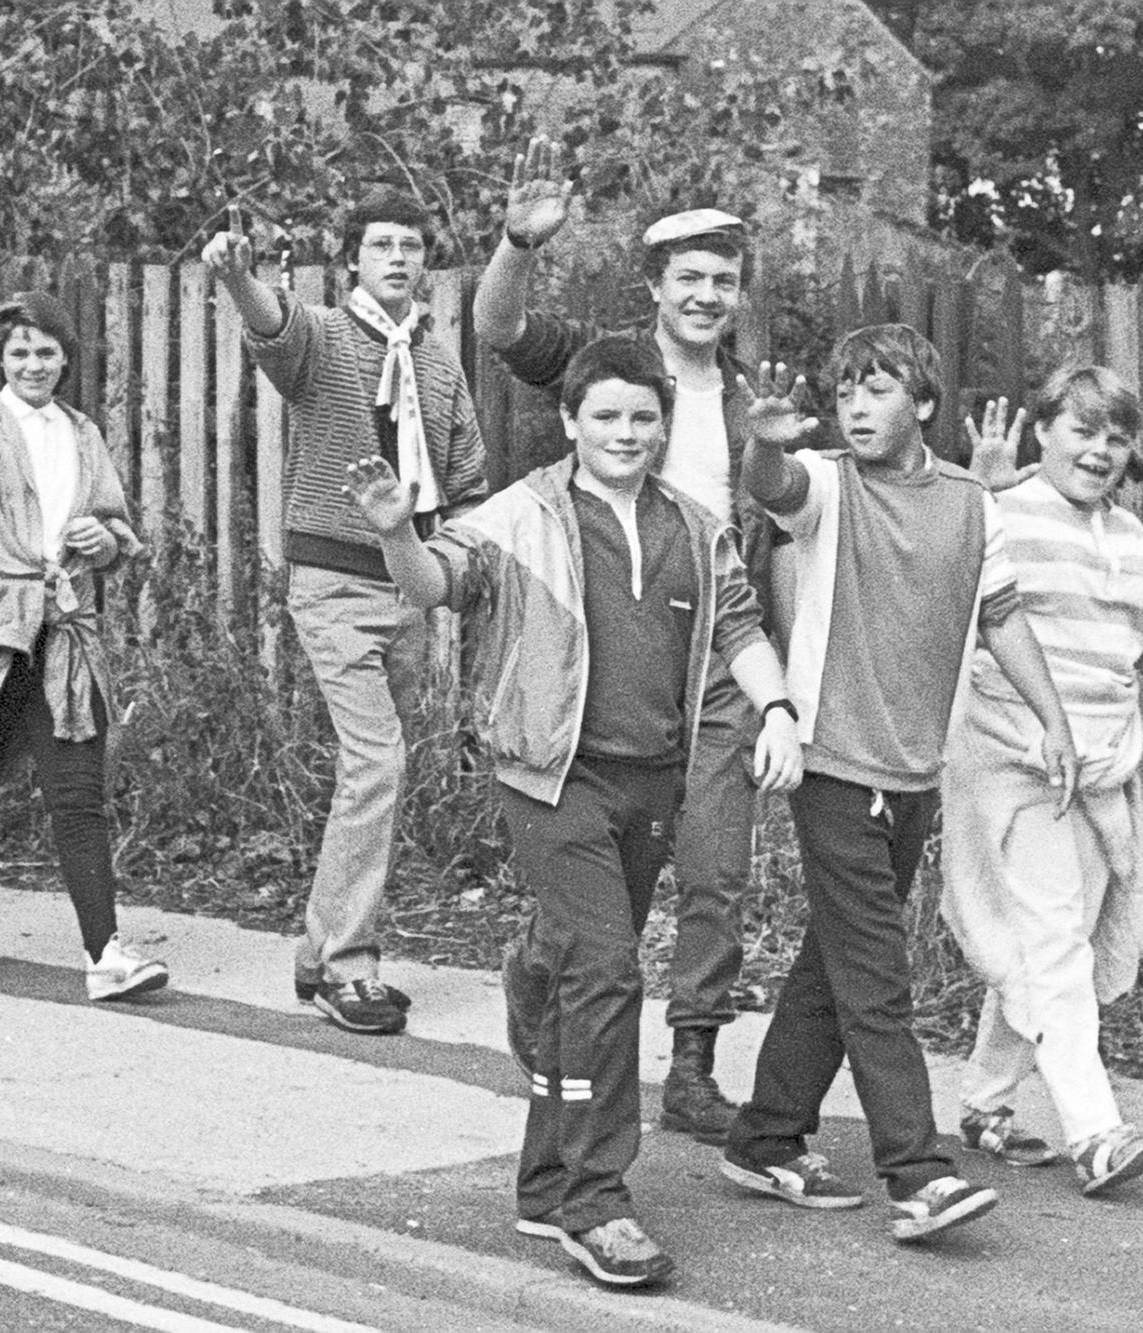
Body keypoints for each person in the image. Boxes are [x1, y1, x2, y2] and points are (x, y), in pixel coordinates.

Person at [349, 336, 801, 1288]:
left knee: (574, 975)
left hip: (652, 779)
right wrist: (396, 531)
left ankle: (544, 1177)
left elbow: (740, 627)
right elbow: (436, 583)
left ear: (663, 424)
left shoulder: (695, 523)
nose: (626, 432)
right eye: (607, 416)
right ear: (571, 422)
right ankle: (598, 1196)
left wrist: (779, 709)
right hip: (550, 776)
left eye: (643, 416)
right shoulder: (522, 514)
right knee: (607, 970)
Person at [720, 325, 1078, 1242]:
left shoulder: (971, 501)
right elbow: (773, 486)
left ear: (922, 403)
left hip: (917, 768)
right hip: (834, 762)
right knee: (877, 972)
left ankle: (765, 1135)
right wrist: (764, 438)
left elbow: (1001, 615)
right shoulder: (828, 484)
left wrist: (1055, 719)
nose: (854, 407)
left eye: (875, 390)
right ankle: (917, 1172)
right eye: (844, 393)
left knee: (833, 959)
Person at [476, 137, 774, 1141]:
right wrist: (519, 240)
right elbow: (495, 324)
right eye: (687, 277)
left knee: (715, 866)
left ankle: (690, 1058)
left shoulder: (745, 395)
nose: (704, 296)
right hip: (608, 646)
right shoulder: (604, 366)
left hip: (717, 647)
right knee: (607, 887)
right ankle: (539, 963)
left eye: (721, 281)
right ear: (651, 284)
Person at [203, 193, 490, 1034]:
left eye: (410, 245)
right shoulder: (325, 336)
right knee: (378, 763)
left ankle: (316, 948)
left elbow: (466, 479)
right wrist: (237, 279)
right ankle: (346, 964)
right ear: (353, 261)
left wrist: (451, 566)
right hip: (330, 584)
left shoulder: (437, 361)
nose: (396, 258)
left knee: (378, 768)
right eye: (379, 245)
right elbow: (273, 329)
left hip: (408, 586)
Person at [0, 291, 166, 1001]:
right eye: (18, 351)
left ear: (65, 358)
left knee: (78, 790)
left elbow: (115, 530)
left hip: (63, 628)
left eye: (46, 350)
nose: (32, 364)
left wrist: (102, 539)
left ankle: (105, 952)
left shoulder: (80, 432)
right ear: (0, 358)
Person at [942, 369, 1143, 1195]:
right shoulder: (1002, 511)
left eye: (1117, 436)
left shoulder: (1129, 533)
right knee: (1055, 942)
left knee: (1055, 934)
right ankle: (1096, 1134)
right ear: (1043, 432)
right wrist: (983, 492)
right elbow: (953, 591)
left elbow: (1141, 643)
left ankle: (987, 1102)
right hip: (1017, 757)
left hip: (1103, 768)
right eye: (1083, 430)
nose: (1101, 450)